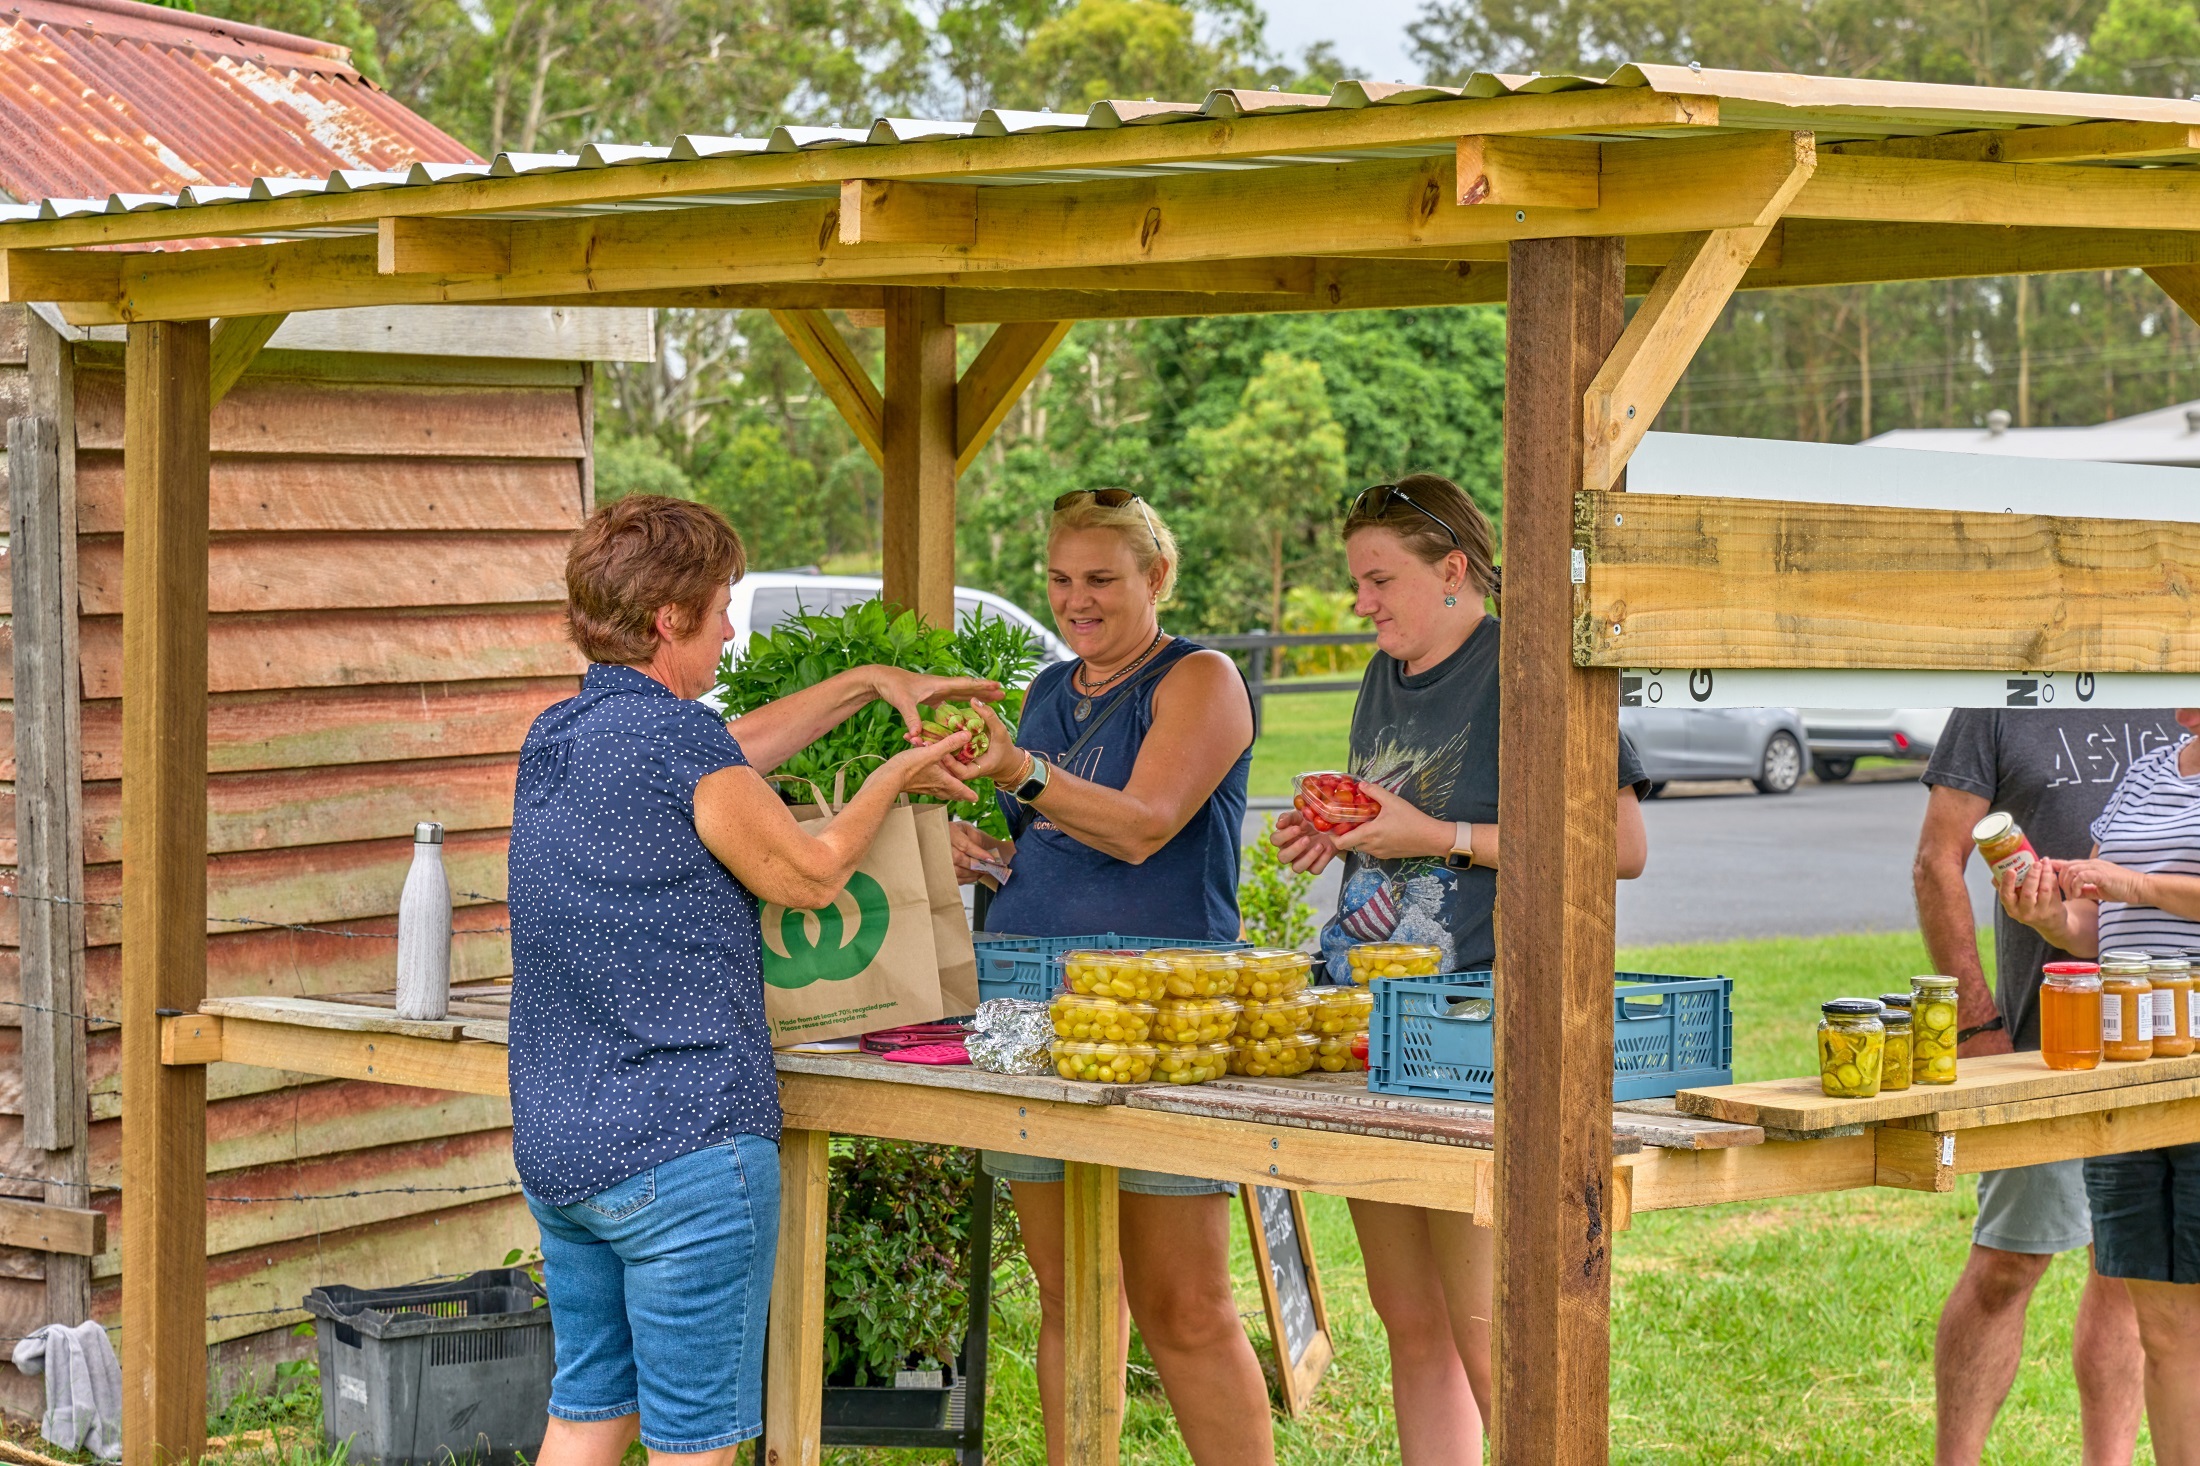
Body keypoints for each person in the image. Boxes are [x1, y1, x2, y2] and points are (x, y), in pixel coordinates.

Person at [508, 495, 998, 1466]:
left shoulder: (558, 738)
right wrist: (891, 778)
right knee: (694, 1443)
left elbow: (729, 755)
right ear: (667, 620)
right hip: (683, 1149)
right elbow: (812, 872)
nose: (731, 627)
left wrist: (863, 681)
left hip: (563, 1147)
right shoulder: (681, 743)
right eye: (721, 607)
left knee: (588, 1408)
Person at [1269, 475, 1649, 1466]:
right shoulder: (1385, 670)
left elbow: (1617, 844)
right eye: (1356, 581)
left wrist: (1435, 832)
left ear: (1452, 571)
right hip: (1370, 1017)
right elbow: (1389, 830)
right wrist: (1333, 830)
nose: (1363, 603)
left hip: (1479, 1027)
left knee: (1492, 1327)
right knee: (1410, 1316)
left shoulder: (1529, 663)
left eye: (1378, 579)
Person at [945, 489, 1272, 1466]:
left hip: (1160, 1008)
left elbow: (1140, 823)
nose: (1076, 598)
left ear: (1155, 577)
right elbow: (1047, 840)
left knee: (1185, 1300)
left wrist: (1020, 773)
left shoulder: (1200, 677)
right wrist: (981, 853)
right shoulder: (1048, 688)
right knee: (1069, 1290)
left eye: (1100, 578)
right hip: (1028, 999)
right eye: (1060, 578)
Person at [1915, 710, 2168, 1464]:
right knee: (2008, 1263)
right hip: (2038, 1045)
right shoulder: (2001, 697)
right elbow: (1937, 860)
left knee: (2128, 1272)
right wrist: (1976, 1022)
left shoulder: (2171, 680)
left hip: (2155, 1043)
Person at [1999, 707, 2200, 1466]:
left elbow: (2127, 889)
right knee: (2163, 1325)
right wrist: (2050, 915)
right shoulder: (2149, 768)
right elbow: (2095, 923)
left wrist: (2137, 885)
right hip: (2126, 1071)